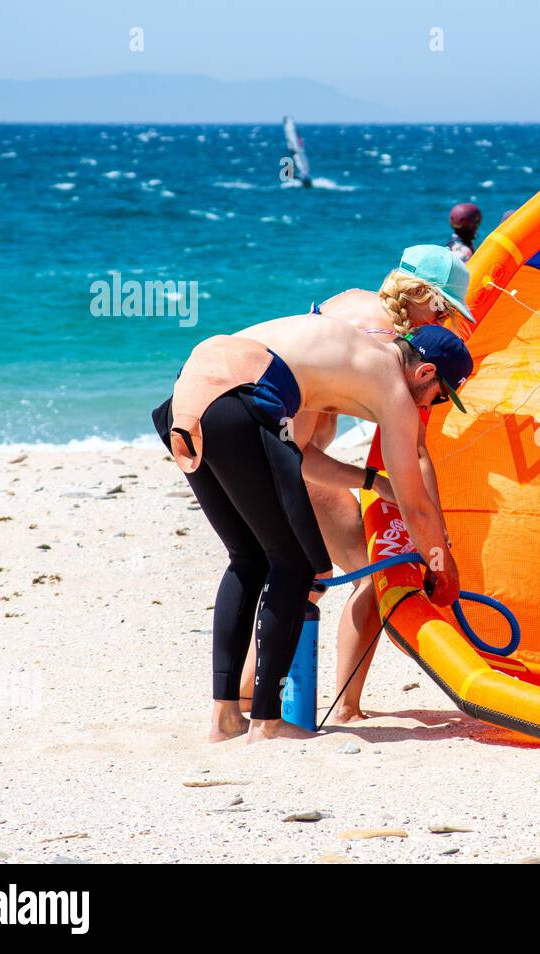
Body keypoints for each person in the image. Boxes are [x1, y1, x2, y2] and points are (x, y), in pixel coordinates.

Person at [152, 312, 473, 743]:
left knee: (248, 559)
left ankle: (225, 719)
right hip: (237, 402)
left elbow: (300, 453)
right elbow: (416, 508)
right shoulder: (394, 387)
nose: (428, 406)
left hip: (185, 400)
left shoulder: (353, 349)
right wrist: (441, 565)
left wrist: (372, 482)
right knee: (298, 565)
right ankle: (266, 724)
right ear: (425, 371)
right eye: (438, 397)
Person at [241, 246, 475, 723]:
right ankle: (336, 708)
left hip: (264, 439)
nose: (446, 322)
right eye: (445, 309)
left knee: (309, 578)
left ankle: (247, 697)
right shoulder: (385, 341)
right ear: (423, 297)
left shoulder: (357, 303)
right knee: (353, 574)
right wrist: (436, 545)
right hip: (289, 459)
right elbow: (415, 450)